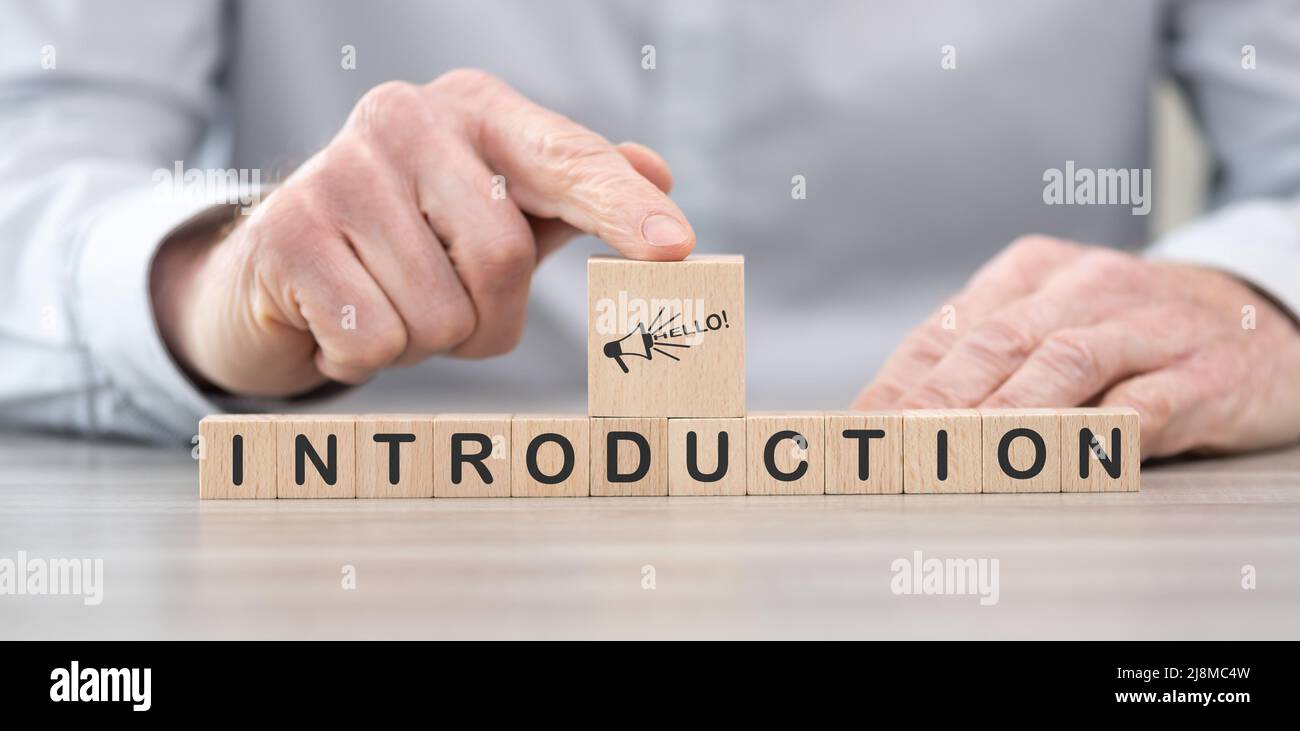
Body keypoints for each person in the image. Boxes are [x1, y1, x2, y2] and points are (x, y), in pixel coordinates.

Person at [2, 0, 1298, 459]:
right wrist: (205, 279)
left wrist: (1257, 299)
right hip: (366, 560)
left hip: (1022, 563)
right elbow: (33, 153)